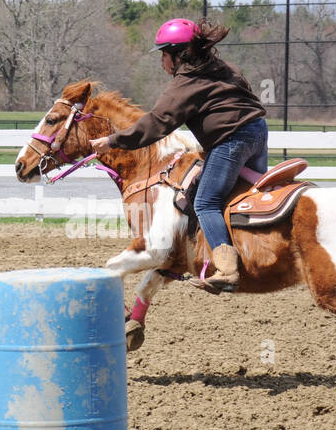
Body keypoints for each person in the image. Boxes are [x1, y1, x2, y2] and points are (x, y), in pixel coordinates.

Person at [90, 19, 269, 293]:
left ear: (178, 53)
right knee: (243, 199)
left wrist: (113, 141)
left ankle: (227, 269)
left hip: (231, 141)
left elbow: (158, 122)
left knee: (206, 203)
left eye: (164, 54)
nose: (162, 61)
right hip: (257, 133)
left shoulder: (187, 82)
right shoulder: (223, 69)